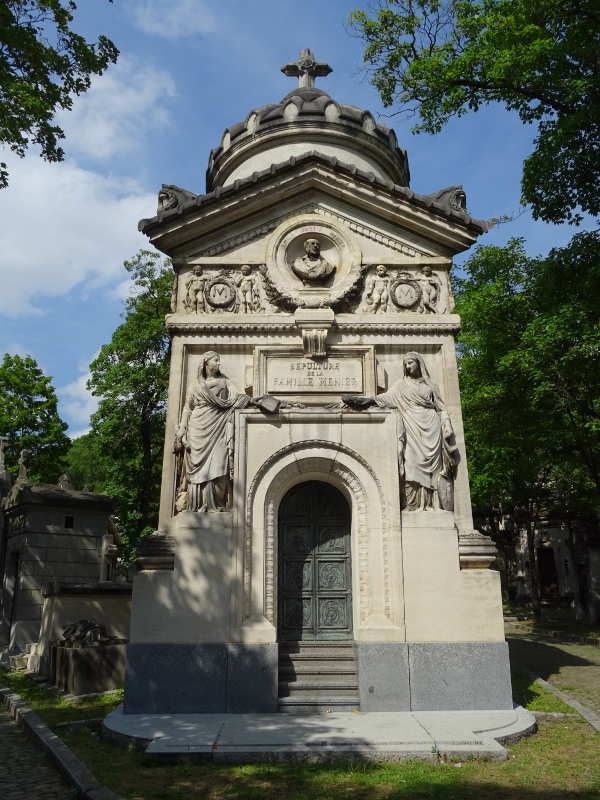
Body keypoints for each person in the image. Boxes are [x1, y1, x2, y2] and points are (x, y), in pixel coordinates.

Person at [343, 352, 456, 511]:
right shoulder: (401, 385)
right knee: (410, 464)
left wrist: (447, 424)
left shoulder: (431, 385)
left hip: (431, 427)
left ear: (419, 363)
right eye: (406, 364)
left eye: (411, 363)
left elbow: (442, 408)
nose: (408, 367)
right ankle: (413, 505)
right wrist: (364, 401)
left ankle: (431, 506)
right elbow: (383, 398)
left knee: (434, 468)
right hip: (410, 425)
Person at [174, 351, 253, 512]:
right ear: (206, 363)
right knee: (198, 471)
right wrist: (182, 429)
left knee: (219, 466)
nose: (218, 363)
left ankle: (216, 505)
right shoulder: (195, 385)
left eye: (219, 360)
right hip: (197, 428)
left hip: (219, 426)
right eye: (215, 360)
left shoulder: (225, 382)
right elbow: (187, 409)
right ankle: (198, 505)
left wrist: (253, 400)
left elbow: (238, 396)